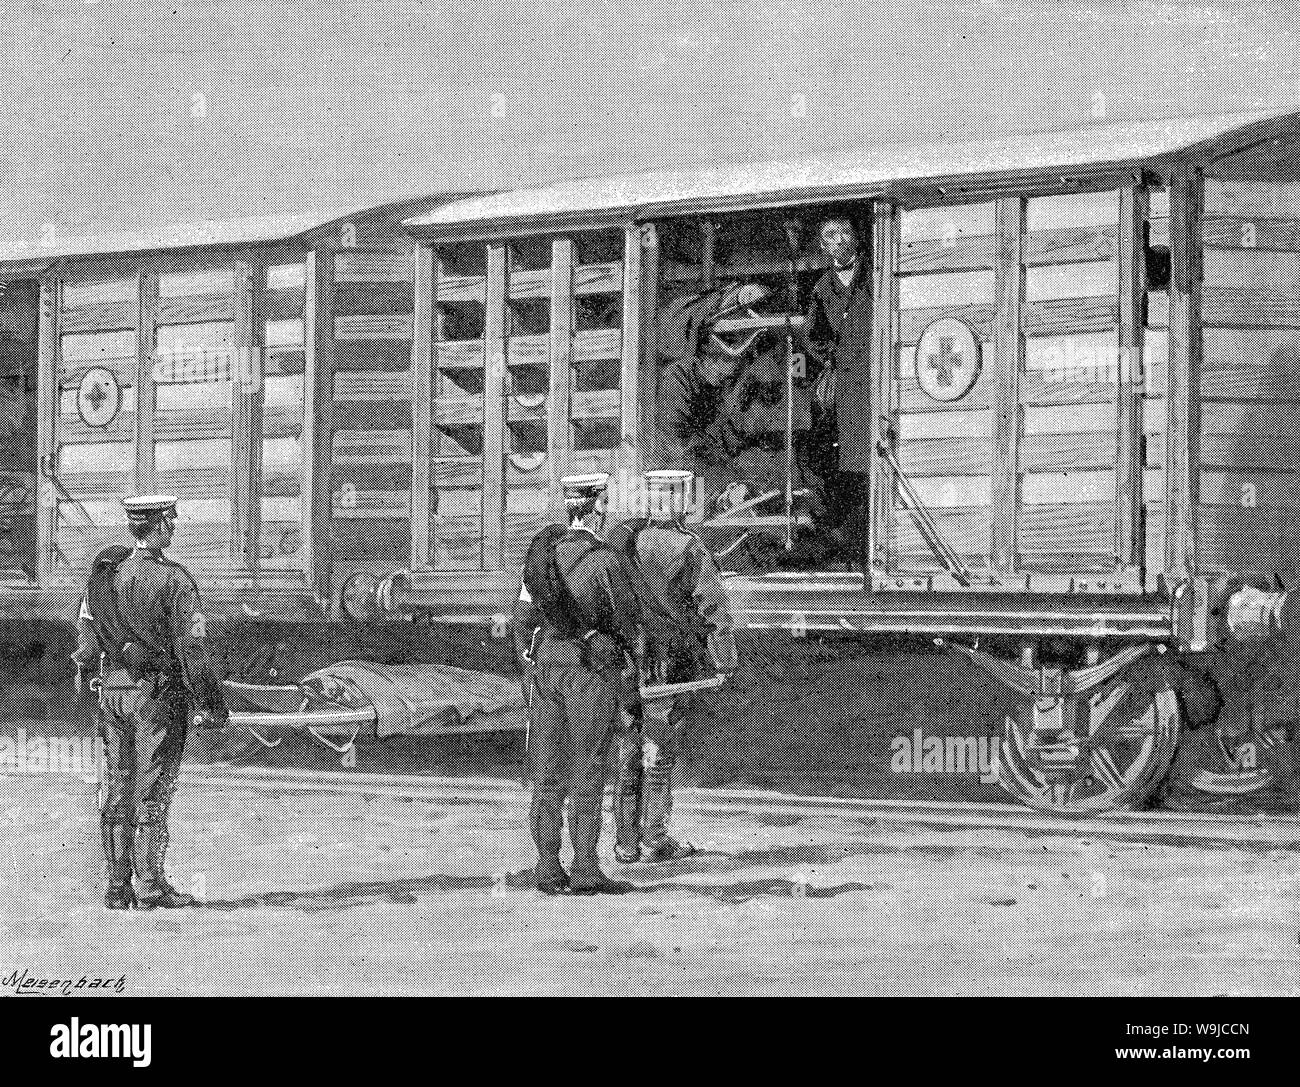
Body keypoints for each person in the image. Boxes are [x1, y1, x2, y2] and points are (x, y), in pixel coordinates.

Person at [72, 495, 228, 909]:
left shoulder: (106, 574)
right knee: (152, 790)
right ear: (156, 527)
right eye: (169, 522)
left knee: (118, 787)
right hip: (156, 695)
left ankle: (117, 886)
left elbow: (87, 630)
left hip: (113, 693)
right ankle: (151, 886)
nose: (174, 528)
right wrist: (212, 702)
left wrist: (91, 667)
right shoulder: (174, 579)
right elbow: (193, 648)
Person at [512, 473, 645, 896]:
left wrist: (532, 666)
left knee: (548, 774)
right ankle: (585, 869)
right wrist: (630, 674)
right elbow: (627, 624)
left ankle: (547, 868)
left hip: (547, 670)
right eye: (605, 505)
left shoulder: (541, 556)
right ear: (597, 509)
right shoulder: (606, 561)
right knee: (587, 770)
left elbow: (522, 620)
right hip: (590, 674)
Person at [608, 470, 738, 863]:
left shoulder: (623, 544)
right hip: (671, 663)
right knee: (659, 752)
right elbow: (712, 607)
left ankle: (625, 842)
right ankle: (656, 836)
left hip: (628, 659)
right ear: (679, 501)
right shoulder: (689, 548)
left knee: (627, 750)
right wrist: (725, 658)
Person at [805, 216, 873, 561]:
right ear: (823, 245)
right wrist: (832, 362)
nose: (840, 240)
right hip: (845, 386)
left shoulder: (876, 276)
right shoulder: (822, 289)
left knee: (872, 464)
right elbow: (815, 338)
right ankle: (848, 552)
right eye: (831, 235)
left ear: (856, 238)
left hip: (875, 381)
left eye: (846, 232)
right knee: (843, 468)